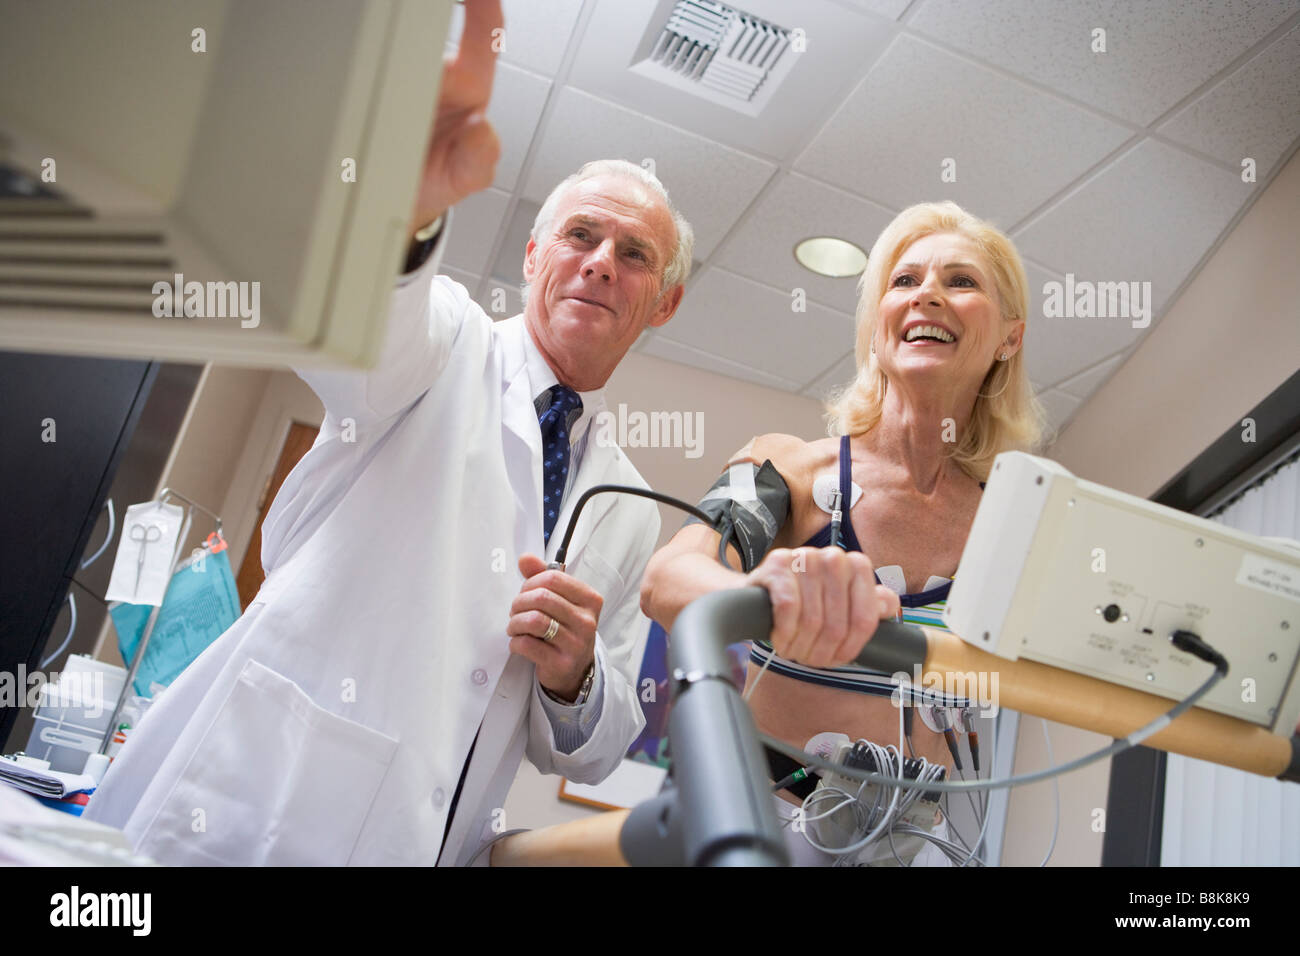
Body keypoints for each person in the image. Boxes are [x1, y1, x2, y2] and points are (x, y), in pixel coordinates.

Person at [84, 0, 693, 866]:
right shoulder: (446, 338)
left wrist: (575, 677)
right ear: (531, 257)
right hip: (255, 801)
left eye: (635, 255)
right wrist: (402, 218)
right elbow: (367, 329)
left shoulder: (631, 508)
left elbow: (593, 750)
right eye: (581, 235)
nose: (601, 261)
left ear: (662, 304)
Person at [640, 200, 1044, 865]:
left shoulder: (1011, 531)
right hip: (760, 820)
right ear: (877, 325)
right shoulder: (789, 468)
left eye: (961, 282)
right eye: (904, 281)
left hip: (913, 843)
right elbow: (668, 579)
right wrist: (766, 587)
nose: (928, 297)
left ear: (1009, 337)